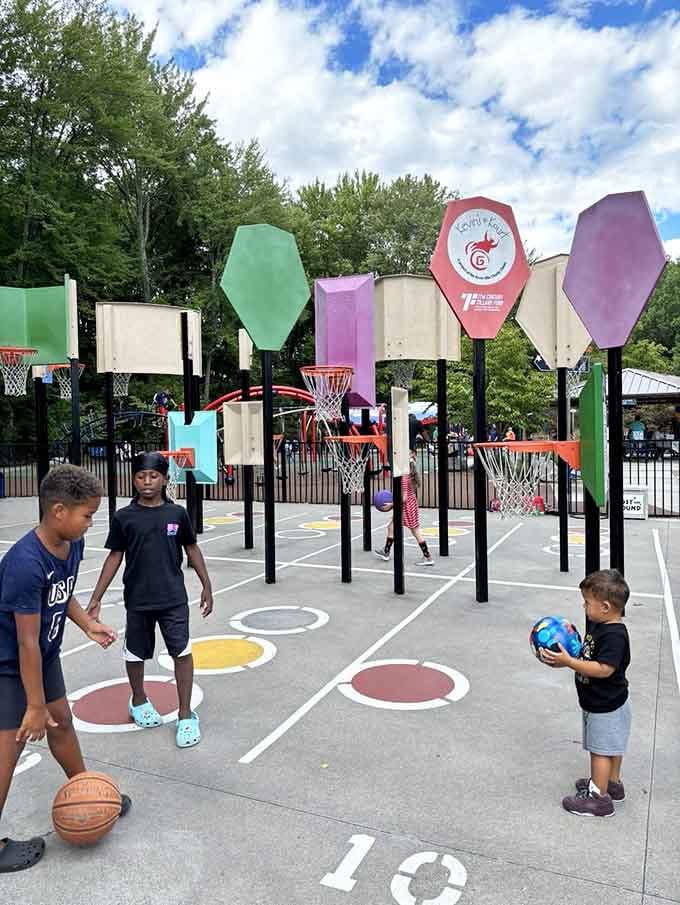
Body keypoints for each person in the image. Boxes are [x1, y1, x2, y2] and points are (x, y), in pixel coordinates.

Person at [0, 465, 130, 873]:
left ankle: (87, 790)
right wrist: (34, 704)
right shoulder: (24, 562)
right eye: (87, 514)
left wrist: (87, 623)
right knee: (9, 749)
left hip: (45, 654)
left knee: (63, 725)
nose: (91, 522)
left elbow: (62, 594)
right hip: (9, 664)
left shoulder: (70, 544)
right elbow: (24, 642)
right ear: (59, 511)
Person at [88, 452, 213, 749]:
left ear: (165, 479)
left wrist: (207, 585)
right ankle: (139, 700)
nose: (147, 481)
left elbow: (192, 549)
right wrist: (96, 597)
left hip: (173, 599)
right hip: (138, 600)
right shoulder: (124, 517)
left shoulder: (177, 514)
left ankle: (185, 715)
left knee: (181, 652)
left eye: (153, 476)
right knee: (135, 654)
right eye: (141, 476)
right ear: (133, 479)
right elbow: (115, 556)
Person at [541, 569, 631, 818]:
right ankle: (612, 784)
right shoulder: (602, 625)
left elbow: (603, 669)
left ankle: (598, 798)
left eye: (587, 603)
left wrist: (570, 662)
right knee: (611, 746)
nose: (584, 606)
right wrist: (570, 653)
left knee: (600, 750)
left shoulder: (615, 635)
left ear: (604, 606)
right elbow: (590, 655)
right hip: (605, 702)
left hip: (605, 705)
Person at [374, 451, 434, 566]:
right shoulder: (407, 473)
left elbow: (405, 498)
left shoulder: (405, 477)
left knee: (415, 531)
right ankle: (386, 552)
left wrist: (391, 504)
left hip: (407, 506)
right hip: (407, 505)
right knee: (391, 527)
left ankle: (428, 557)